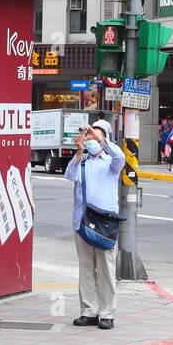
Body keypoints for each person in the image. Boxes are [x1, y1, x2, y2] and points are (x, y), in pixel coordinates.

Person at [65, 118, 124, 330]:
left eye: (95, 135)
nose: (90, 138)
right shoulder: (82, 162)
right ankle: (88, 311)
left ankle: (107, 313)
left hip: (105, 224)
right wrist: (79, 152)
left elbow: (121, 156)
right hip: (82, 222)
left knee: (106, 270)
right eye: (88, 134)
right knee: (86, 268)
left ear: (103, 138)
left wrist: (101, 138)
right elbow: (69, 175)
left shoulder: (111, 162)